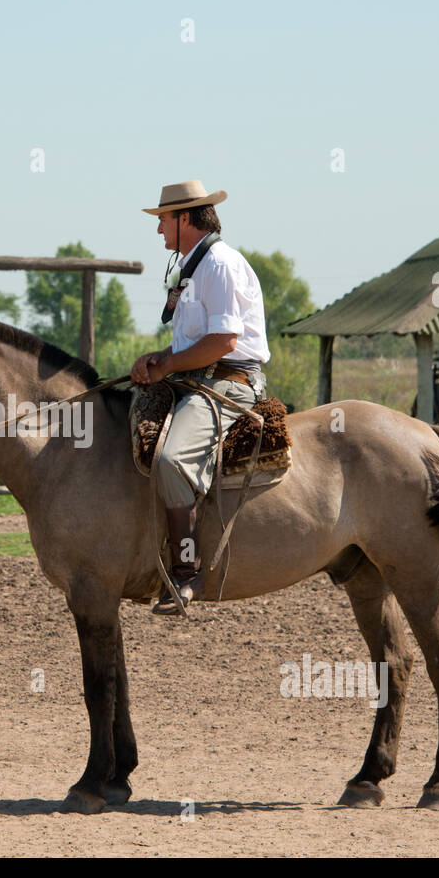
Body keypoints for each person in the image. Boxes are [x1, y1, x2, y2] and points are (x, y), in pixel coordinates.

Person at [131, 180, 270, 615]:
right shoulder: (197, 264)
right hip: (198, 377)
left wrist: (170, 366)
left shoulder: (220, 265)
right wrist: (161, 358)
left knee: (172, 460)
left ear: (185, 219)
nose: (158, 231)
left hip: (228, 383)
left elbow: (225, 341)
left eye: (163, 221)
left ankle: (187, 574)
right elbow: (197, 341)